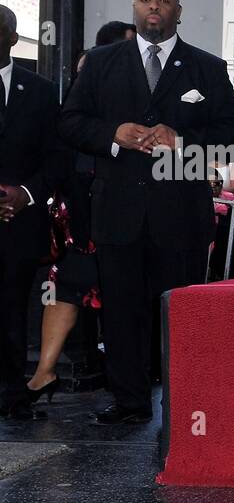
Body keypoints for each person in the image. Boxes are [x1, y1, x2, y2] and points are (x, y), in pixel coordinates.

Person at [60, 0, 234, 425]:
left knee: (179, 316)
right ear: (135, 7)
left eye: (164, 0)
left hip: (180, 217)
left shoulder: (207, 68)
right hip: (117, 213)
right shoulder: (102, 64)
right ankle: (129, 403)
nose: (154, 7)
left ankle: (183, 406)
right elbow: (69, 123)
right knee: (121, 312)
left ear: (178, 11)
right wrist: (112, 136)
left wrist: (183, 141)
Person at [26, 23, 137, 407]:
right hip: (90, 194)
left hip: (109, 196)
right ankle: (46, 372)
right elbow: (72, 132)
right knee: (73, 284)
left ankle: (50, 373)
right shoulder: (98, 71)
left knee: (82, 287)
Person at [0, 5, 64, 420]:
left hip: (19, 222)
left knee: (12, 309)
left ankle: (11, 392)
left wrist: (25, 194)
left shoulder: (39, 91)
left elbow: (57, 157)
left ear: (11, 36)